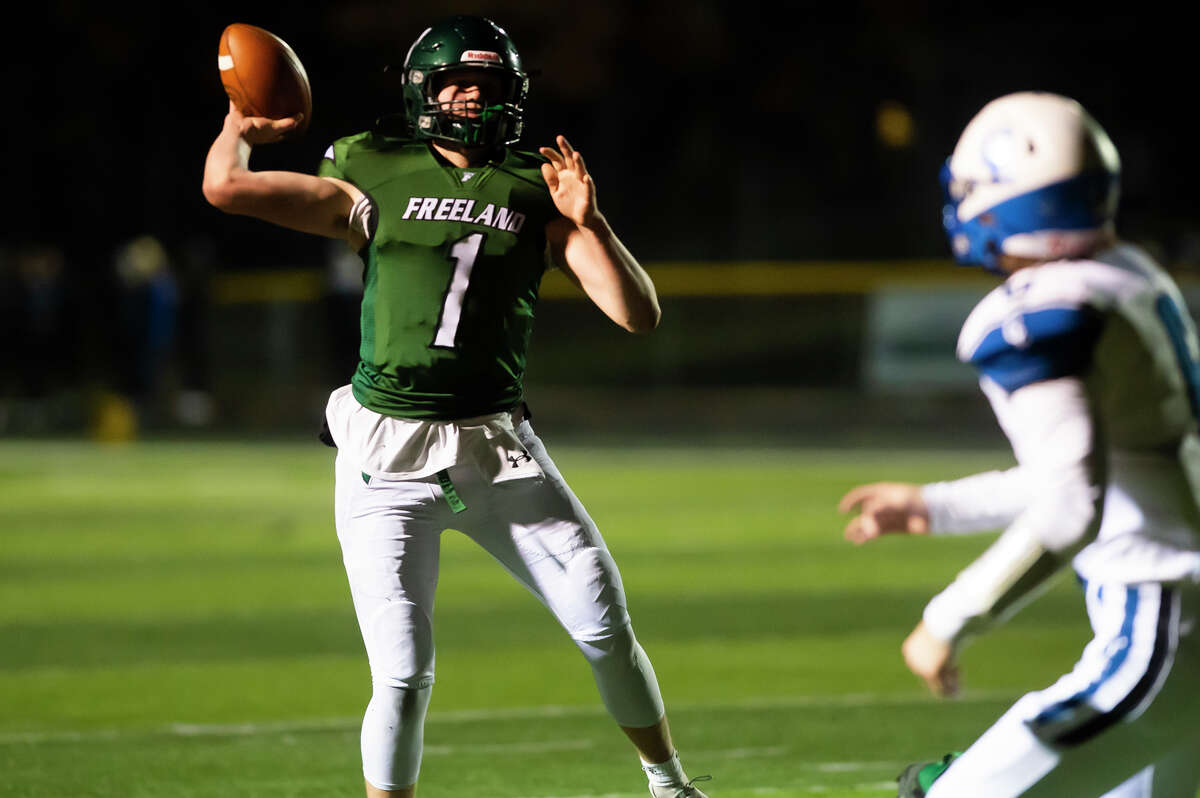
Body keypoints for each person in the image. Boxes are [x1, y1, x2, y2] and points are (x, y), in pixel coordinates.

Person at [202, 15, 711, 798]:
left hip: (497, 447)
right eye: (458, 83)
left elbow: (637, 314)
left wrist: (591, 222)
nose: (474, 98)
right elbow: (223, 188)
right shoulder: (371, 167)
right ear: (424, 92)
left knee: (606, 630)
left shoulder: (534, 184)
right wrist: (240, 123)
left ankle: (670, 784)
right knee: (403, 677)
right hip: (386, 455)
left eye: (489, 85)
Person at [838, 91, 1200, 798]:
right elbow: (1102, 467)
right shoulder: (1131, 276)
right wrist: (935, 507)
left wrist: (948, 620)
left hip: (1159, 620)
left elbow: (1071, 503)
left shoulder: (1042, 312)